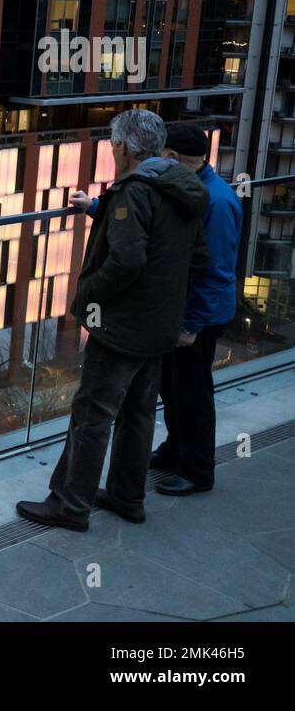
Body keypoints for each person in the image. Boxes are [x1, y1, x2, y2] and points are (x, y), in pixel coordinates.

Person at [17, 109, 209, 531]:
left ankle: (70, 503)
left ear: (122, 146)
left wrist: (87, 294)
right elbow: (197, 256)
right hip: (160, 324)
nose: (111, 148)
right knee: (139, 413)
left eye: (112, 142)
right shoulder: (184, 189)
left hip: (122, 326)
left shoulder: (132, 192)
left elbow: (127, 259)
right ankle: (127, 496)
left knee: (92, 413)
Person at [152, 123, 241, 495]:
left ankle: (198, 471)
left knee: (192, 394)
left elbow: (215, 271)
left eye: (160, 156)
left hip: (200, 316)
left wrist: (191, 324)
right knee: (173, 389)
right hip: (188, 310)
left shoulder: (215, 202)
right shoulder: (196, 188)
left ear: (172, 157)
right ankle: (177, 452)